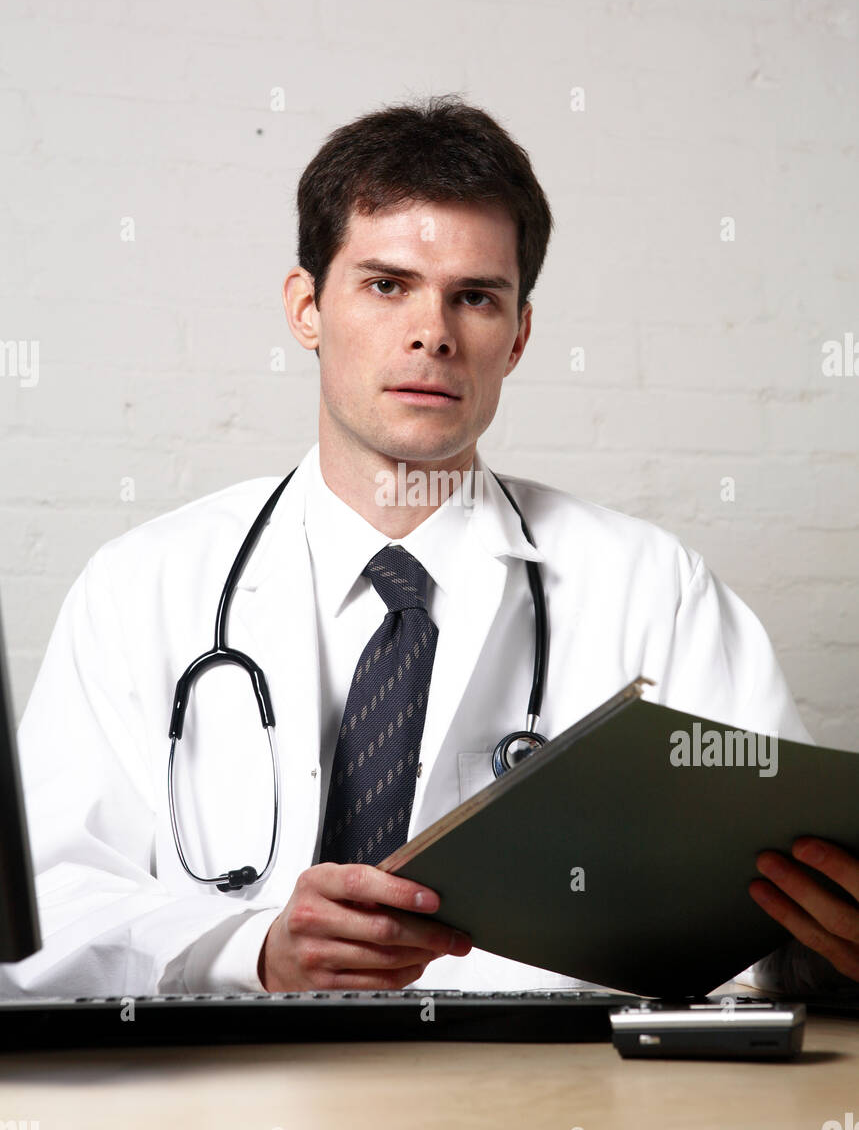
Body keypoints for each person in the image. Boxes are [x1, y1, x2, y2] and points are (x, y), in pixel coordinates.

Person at [1, 94, 857, 999]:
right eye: (385, 284)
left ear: (518, 335)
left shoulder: (653, 591)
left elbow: (764, 913)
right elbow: (44, 907)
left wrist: (826, 949)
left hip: (541, 1118)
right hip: (228, 1110)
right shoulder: (142, 587)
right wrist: (255, 951)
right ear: (306, 308)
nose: (432, 333)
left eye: (476, 297)